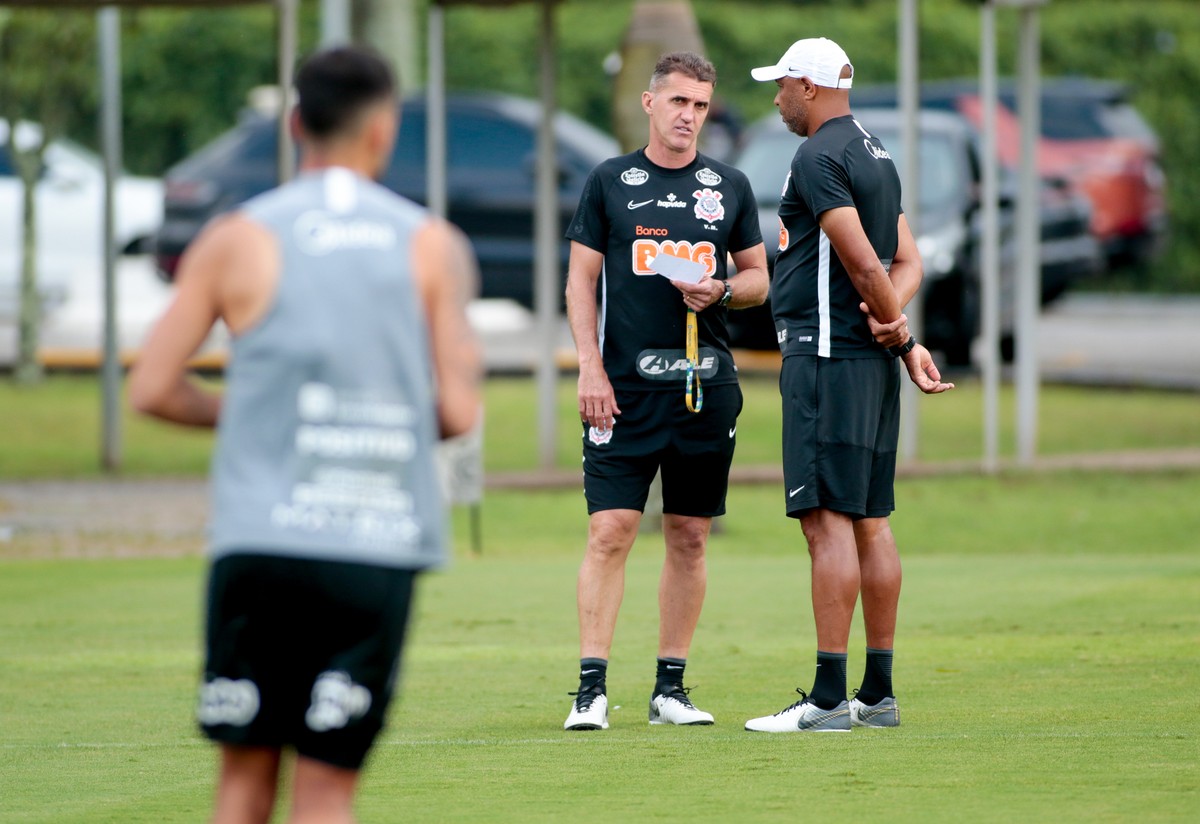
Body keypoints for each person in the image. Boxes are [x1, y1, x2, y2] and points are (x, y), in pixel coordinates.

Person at [129, 46, 481, 822]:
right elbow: (458, 414)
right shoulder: (431, 244)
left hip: (260, 541)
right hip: (374, 544)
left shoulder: (237, 236)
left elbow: (152, 387)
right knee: (326, 791)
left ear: (294, 124)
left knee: (243, 785)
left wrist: (256, 412)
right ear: (383, 131)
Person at [742, 38, 953, 734]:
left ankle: (829, 699)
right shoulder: (875, 149)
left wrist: (905, 335)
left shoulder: (818, 155)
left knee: (826, 521)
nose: (777, 99)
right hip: (866, 365)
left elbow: (869, 266)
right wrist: (899, 334)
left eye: (783, 86)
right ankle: (878, 693)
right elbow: (909, 262)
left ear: (808, 85)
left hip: (827, 360)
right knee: (871, 520)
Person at [562, 51, 770, 731]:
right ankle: (590, 689)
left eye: (702, 105)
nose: (690, 116)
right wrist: (589, 367)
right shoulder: (610, 181)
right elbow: (579, 283)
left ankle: (669, 690)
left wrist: (723, 290)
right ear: (650, 104)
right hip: (621, 390)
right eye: (679, 101)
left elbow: (758, 278)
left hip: (704, 390)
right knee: (610, 530)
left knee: (689, 536)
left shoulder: (728, 185)